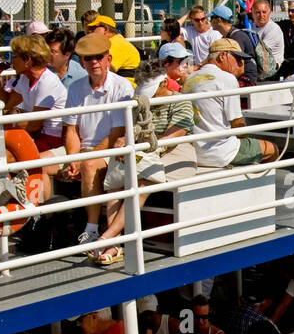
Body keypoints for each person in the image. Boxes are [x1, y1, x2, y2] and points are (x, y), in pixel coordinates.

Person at [92, 42, 197, 264]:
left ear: (164, 84)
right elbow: (138, 133)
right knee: (116, 178)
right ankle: (113, 241)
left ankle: (109, 238)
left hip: (177, 155)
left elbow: (174, 137)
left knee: (141, 180)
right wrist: (125, 142)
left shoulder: (180, 102)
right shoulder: (140, 104)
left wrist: (136, 145)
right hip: (148, 150)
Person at [63, 32, 132, 249]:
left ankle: (91, 229)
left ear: (108, 59)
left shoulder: (122, 87)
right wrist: (72, 158)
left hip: (110, 151)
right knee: (38, 164)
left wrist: (83, 157)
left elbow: (117, 132)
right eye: (88, 58)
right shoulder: (75, 88)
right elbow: (71, 129)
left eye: (99, 57)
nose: (94, 62)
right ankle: (39, 227)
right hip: (84, 150)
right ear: (81, 62)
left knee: (89, 165)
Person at [183, 38, 279, 168]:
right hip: (221, 152)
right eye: (237, 59)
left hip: (193, 152)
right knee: (272, 149)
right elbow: (237, 125)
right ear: (223, 56)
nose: (240, 64)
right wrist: (248, 135)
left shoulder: (190, 78)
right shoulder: (227, 79)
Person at [2, 34, 69, 154]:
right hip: (35, 135)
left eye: (15, 57)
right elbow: (6, 104)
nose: (12, 61)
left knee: (3, 156)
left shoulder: (47, 81)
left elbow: (33, 124)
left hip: (51, 139)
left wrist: (1, 127)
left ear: (27, 60)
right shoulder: (25, 78)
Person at [83, 14, 141, 85]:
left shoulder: (114, 44)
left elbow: (103, 72)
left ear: (105, 29)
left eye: (93, 28)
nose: (89, 31)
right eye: (89, 28)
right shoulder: (116, 40)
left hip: (126, 89)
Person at [209, 4, 259, 84]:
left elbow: (235, 63)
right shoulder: (229, 36)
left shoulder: (236, 36)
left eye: (211, 18)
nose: (210, 21)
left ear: (218, 20)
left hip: (246, 80)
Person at [247, 0, 285, 81]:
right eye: (258, 12)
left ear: (269, 13)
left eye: (264, 12)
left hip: (271, 72)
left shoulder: (273, 29)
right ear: (252, 13)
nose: (261, 15)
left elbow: (259, 52)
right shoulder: (251, 26)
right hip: (258, 68)